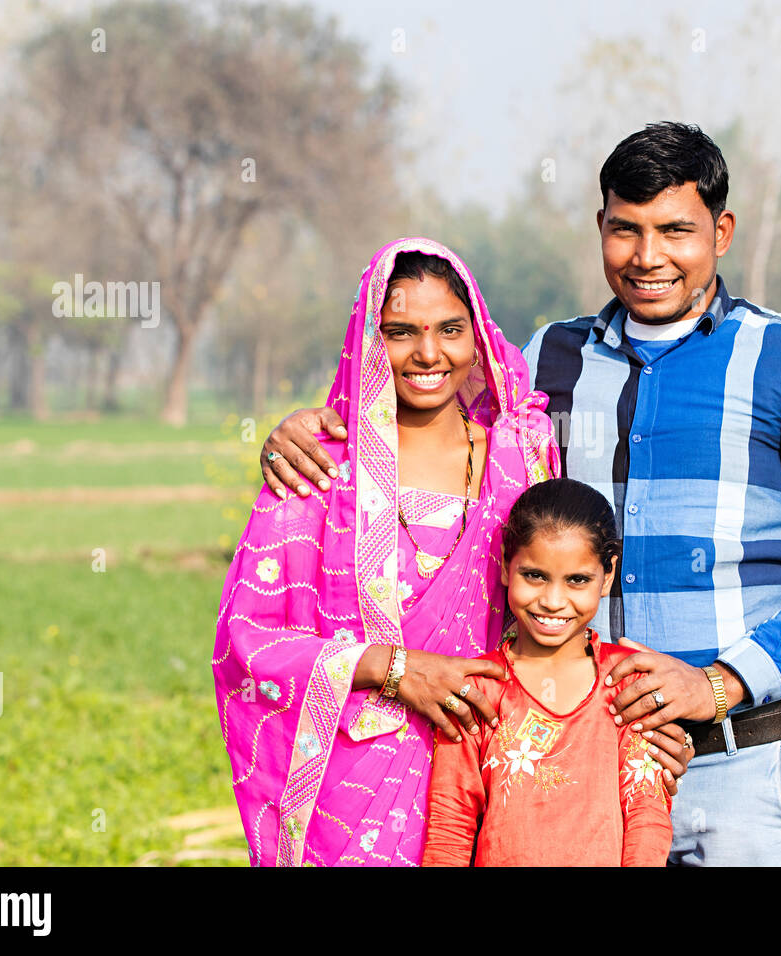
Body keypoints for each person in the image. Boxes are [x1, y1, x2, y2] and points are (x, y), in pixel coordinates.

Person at [256, 123, 781, 866]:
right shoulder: (545, 362)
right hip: (573, 779)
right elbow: (419, 435)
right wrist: (310, 434)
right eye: (625, 229)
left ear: (721, 232)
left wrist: (718, 685)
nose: (647, 256)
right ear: (600, 227)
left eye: (675, 231)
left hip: (741, 774)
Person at [212, 237, 563, 866]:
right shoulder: (316, 470)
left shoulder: (523, 456)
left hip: (490, 770)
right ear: (369, 340)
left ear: (478, 335)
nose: (429, 354)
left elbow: (561, 601)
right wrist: (395, 669)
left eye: (451, 328)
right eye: (401, 332)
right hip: (351, 798)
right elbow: (249, 641)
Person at [422, 478, 672, 866]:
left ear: (607, 576)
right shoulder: (478, 691)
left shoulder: (627, 684)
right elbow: (451, 827)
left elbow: (647, 816)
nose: (553, 601)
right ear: (506, 565)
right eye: (535, 575)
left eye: (577, 580)